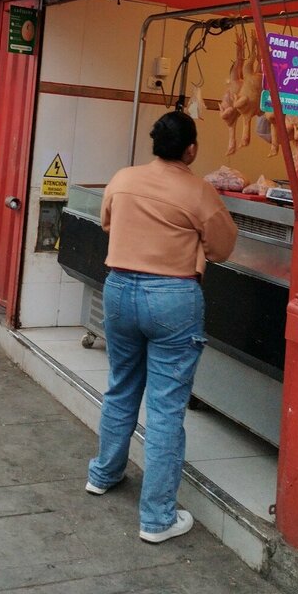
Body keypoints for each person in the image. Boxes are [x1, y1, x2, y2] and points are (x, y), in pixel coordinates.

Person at [87, 110, 237, 543]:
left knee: (120, 385)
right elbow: (223, 247)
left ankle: (103, 473)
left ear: (155, 144)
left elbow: (108, 222)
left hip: (119, 291)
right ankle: (156, 518)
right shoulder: (199, 191)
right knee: (166, 408)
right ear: (191, 150)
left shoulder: (122, 178)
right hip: (172, 299)